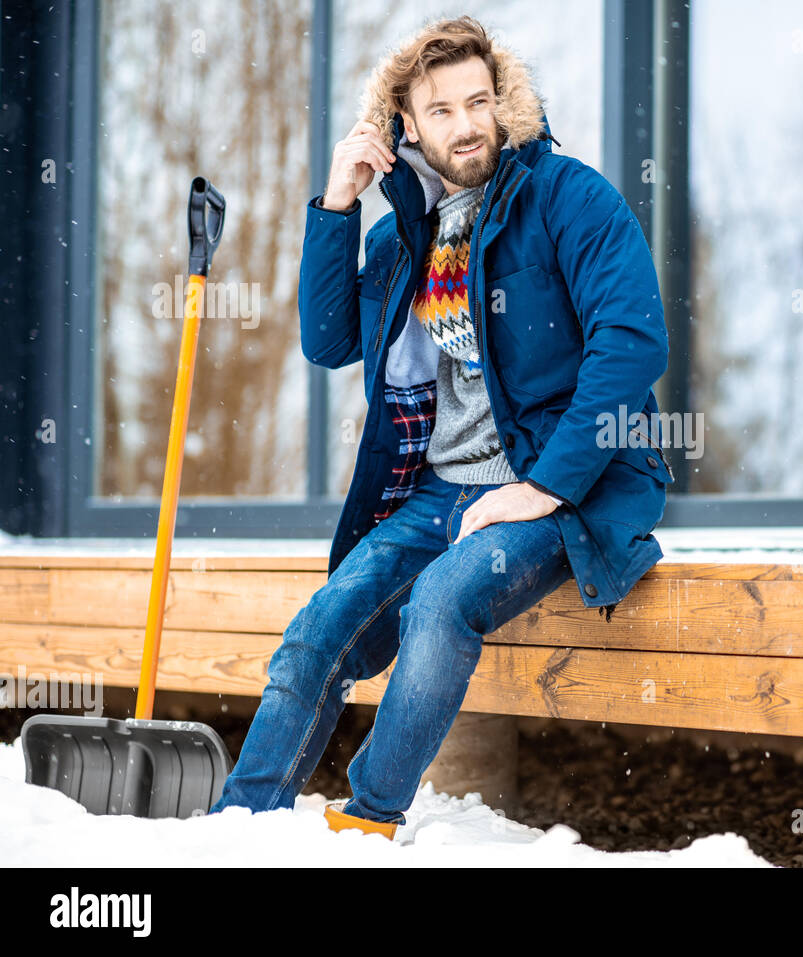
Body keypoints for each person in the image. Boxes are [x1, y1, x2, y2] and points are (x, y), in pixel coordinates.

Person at [209, 14, 673, 839]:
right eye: (443, 111)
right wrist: (338, 201)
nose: (467, 126)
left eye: (479, 102)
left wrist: (544, 487)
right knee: (320, 627)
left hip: (565, 485)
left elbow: (633, 342)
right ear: (406, 126)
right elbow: (331, 342)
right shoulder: (405, 231)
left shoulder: (567, 197)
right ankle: (239, 826)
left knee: (439, 600)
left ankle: (370, 821)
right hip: (440, 492)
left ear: (504, 104)